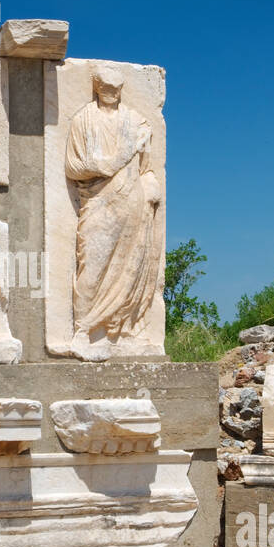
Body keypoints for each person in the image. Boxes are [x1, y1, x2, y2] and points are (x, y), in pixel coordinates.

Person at [64, 66, 161, 353]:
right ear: (96, 87)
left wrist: (150, 188)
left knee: (131, 267)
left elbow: (147, 169)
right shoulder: (83, 120)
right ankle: (83, 328)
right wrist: (100, 166)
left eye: (116, 88)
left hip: (133, 205)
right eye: (106, 87)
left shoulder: (137, 123)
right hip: (98, 204)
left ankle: (119, 330)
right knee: (92, 266)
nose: (112, 93)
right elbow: (73, 167)